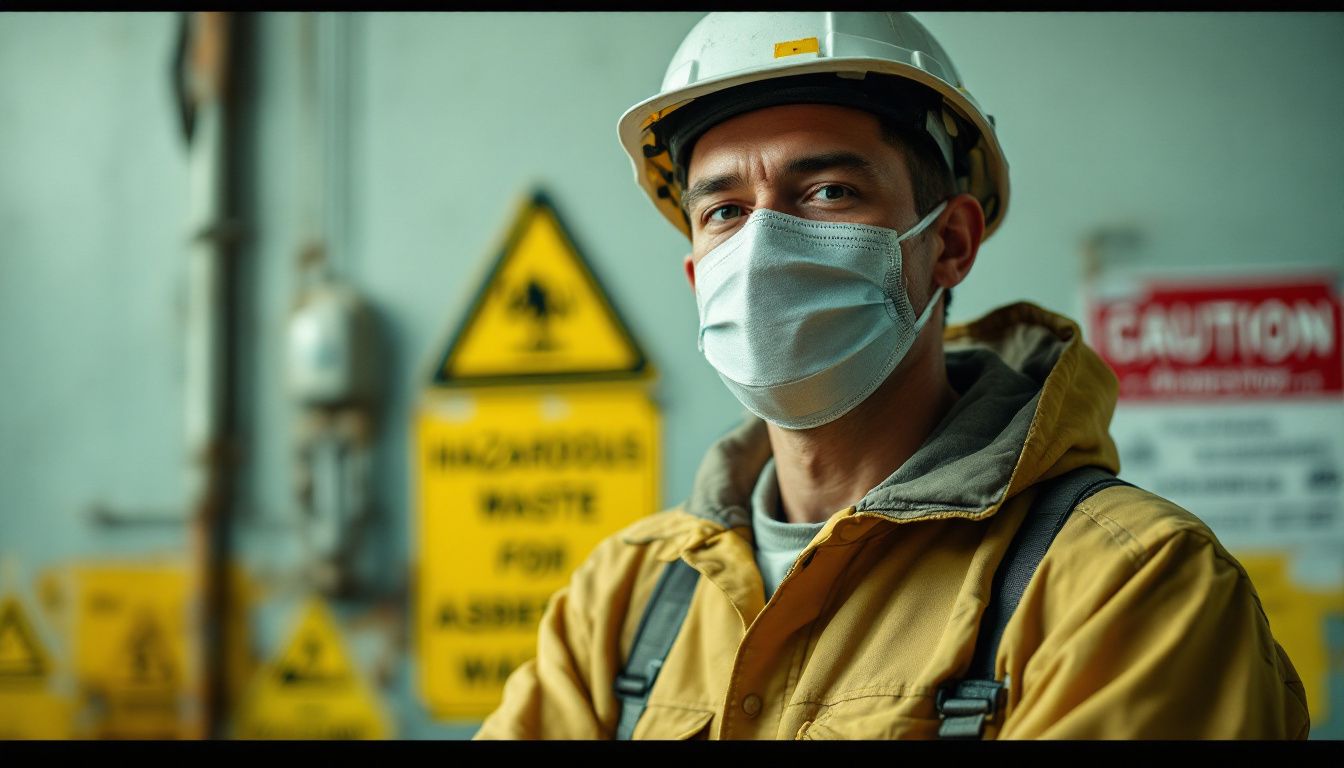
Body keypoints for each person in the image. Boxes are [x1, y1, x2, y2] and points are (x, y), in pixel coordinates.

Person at [474, 12, 1309, 739]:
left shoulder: (1129, 587)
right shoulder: (624, 599)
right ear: (699, 275)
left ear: (950, 244)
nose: (762, 247)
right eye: (723, 210)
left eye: (830, 190)